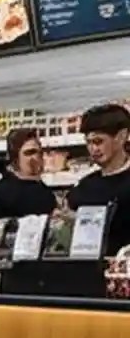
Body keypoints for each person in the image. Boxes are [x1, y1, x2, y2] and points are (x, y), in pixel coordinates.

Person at [66, 103, 130, 255]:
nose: (93, 149)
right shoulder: (84, 186)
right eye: (88, 142)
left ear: (121, 137)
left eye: (98, 141)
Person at [0, 127, 57, 219]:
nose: (36, 157)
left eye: (39, 152)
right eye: (29, 153)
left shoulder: (46, 193)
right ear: (15, 157)